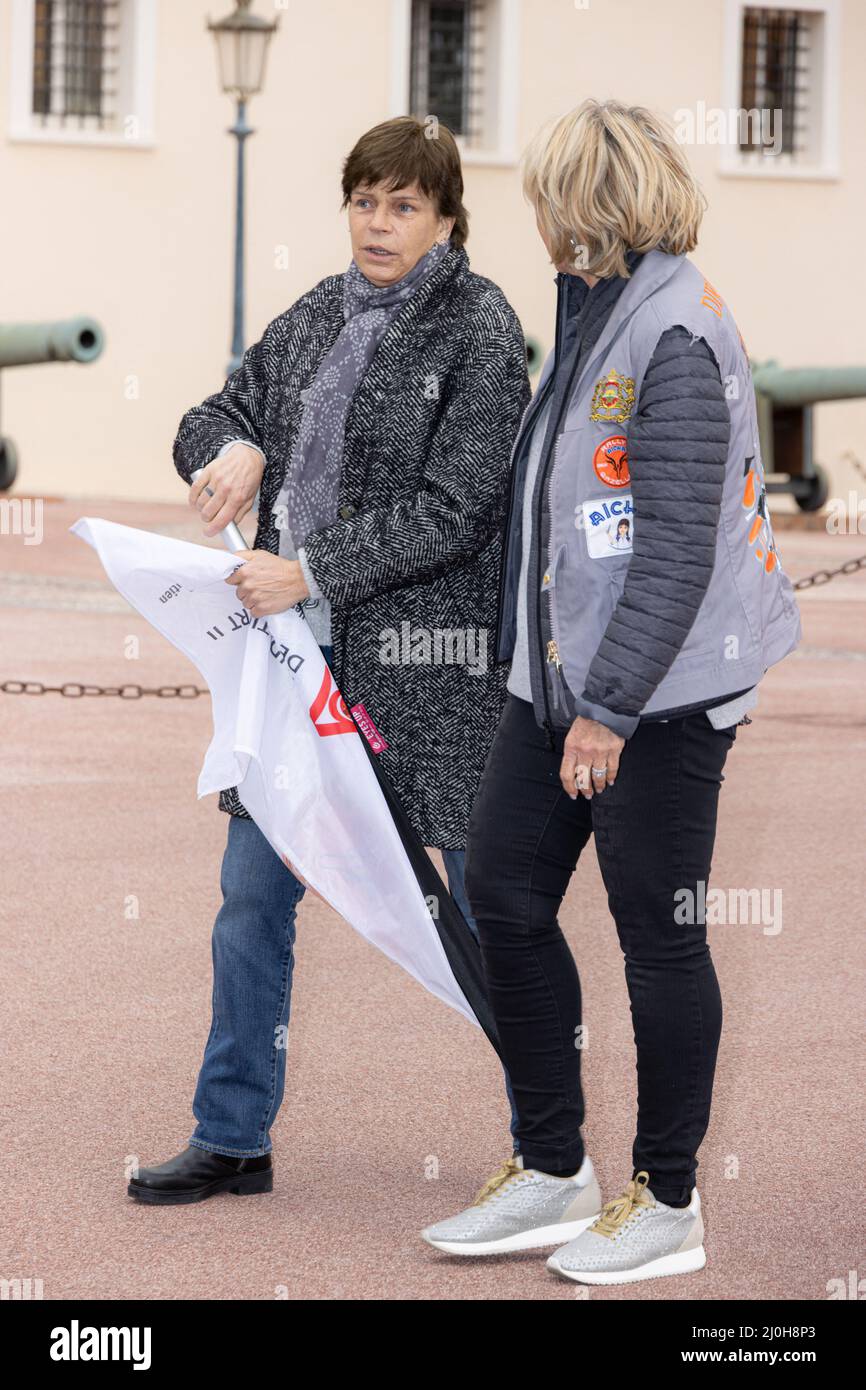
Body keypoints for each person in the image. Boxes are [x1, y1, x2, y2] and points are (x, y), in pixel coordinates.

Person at [422, 99, 801, 1284]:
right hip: (567, 683)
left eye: (546, 197)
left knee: (659, 935)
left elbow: (676, 547)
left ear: (589, 204)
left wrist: (608, 710)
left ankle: (669, 1200)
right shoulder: (595, 307)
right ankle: (551, 1170)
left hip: (655, 699)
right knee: (500, 893)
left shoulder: (671, 330)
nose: (533, 218)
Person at [128, 116, 529, 1205]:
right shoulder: (315, 315)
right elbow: (212, 409)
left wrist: (308, 569)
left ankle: (551, 1148)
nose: (376, 223)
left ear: (446, 218)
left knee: (476, 915)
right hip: (294, 674)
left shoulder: (482, 332)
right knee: (250, 903)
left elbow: (457, 509)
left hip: (427, 675)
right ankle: (232, 1134)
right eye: (363, 200)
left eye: (402, 204)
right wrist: (232, 447)